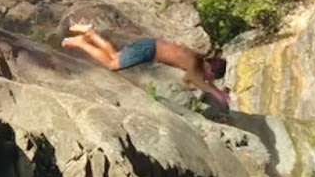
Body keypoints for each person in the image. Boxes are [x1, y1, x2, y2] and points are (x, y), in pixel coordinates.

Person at [61, 22, 231, 111]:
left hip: (148, 46)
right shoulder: (195, 62)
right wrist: (219, 95)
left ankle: (90, 33)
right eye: (211, 76)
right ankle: (81, 42)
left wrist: (217, 90)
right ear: (210, 69)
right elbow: (196, 81)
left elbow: (193, 79)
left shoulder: (196, 61)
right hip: (148, 50)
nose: (208, 79)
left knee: (115, 56)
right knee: (112, 64)